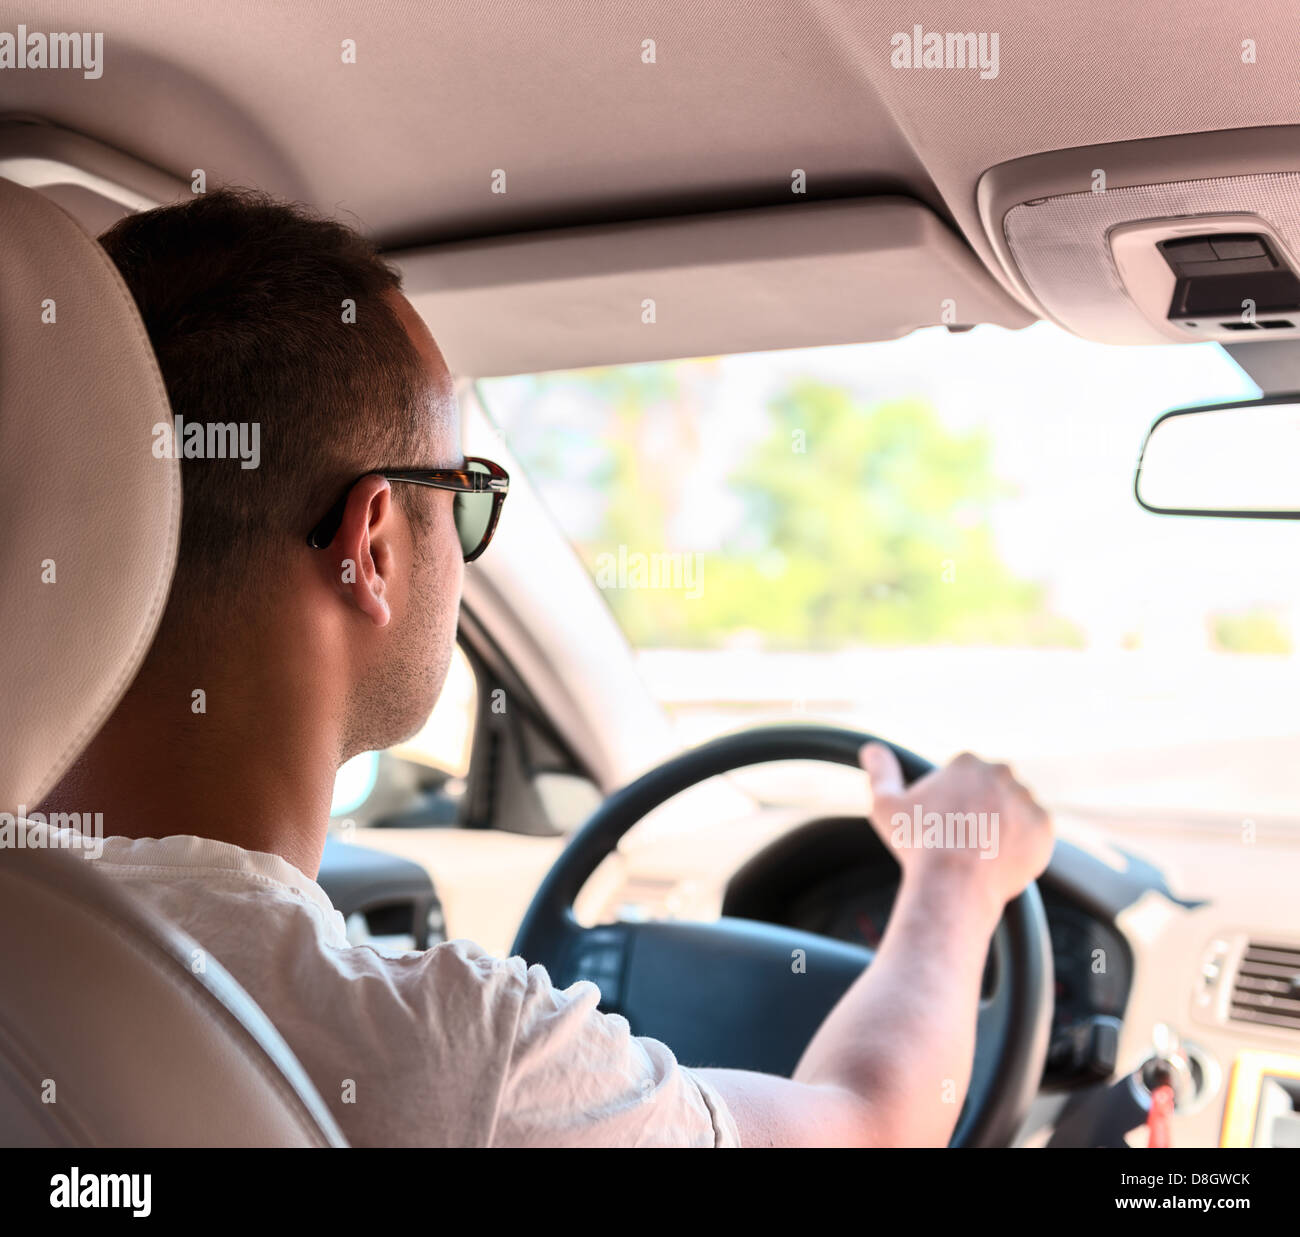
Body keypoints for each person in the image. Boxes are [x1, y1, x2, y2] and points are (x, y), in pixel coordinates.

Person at [38, 189, 1053, 1147]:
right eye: (464, 491)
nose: (469, 532)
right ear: (373, 546)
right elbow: (870, 1124)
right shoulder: (452, 1055)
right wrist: (958, 876)